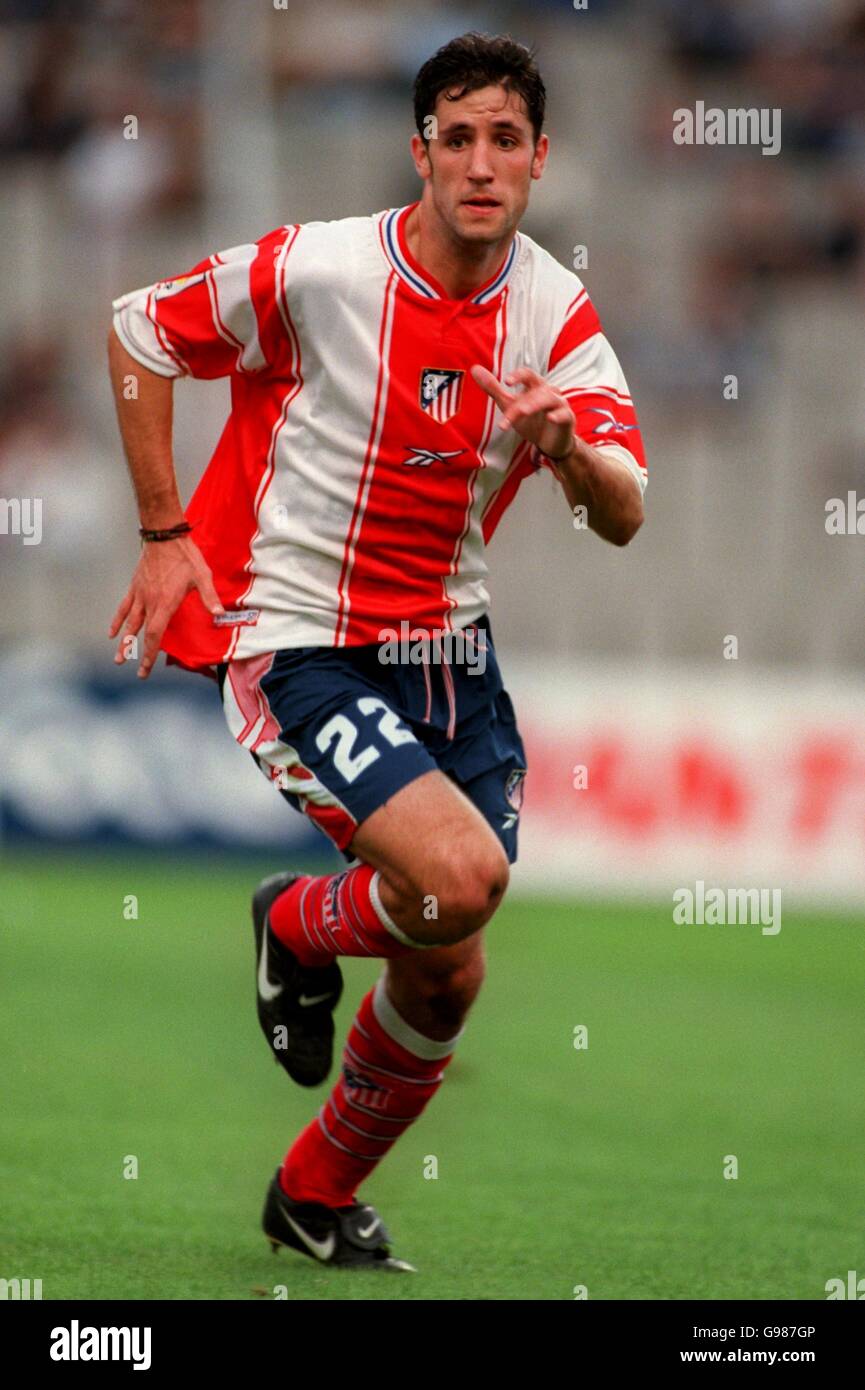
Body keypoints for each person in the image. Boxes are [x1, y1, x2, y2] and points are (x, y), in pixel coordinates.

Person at [107, 31, 647, 1273]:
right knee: (459, 881)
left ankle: (309, 1197)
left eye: (504, 139)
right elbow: (139, 330)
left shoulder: (554, 313)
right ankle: (299, 924)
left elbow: (625, 512)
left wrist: (565, 447)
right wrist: (164, 532)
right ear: (420, 152)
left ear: (540, 159)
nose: (480, 162)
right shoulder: (321, 270)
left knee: (445, 965)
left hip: (451, 654)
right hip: (301, 640)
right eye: (456, 138)